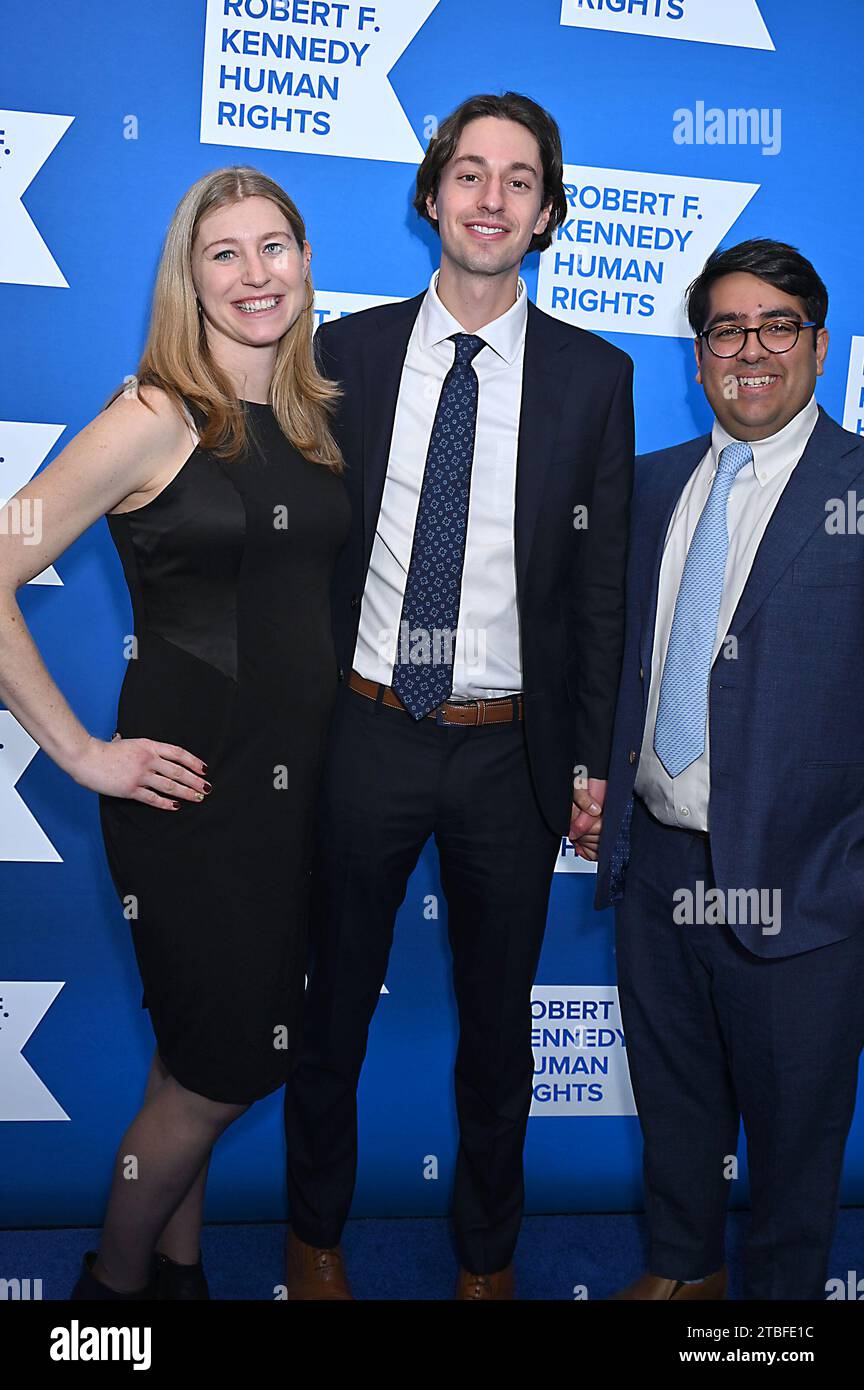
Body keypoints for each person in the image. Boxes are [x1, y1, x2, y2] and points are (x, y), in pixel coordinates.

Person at [283, 91, 634, 1300]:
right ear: (432, 195)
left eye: (520, 180)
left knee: (499, 1038)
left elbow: (599, 597)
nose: (492, 198)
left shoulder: (596, 378)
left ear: (546, 215)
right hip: (366, 732)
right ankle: (314, 1238)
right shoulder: (345, 353)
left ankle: (487, 1260)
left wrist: (591, 762)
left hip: (510, 757)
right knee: (330, 1016)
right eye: (470, 174)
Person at [0, 166, 350, 1300]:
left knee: (193, 1057)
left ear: (303, 262)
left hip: (288, 802)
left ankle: (180, 1278)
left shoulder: (310, 418)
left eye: (274, 247)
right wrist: (80, 753)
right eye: (225, 253)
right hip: (190, 803)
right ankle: (109, 1297)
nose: (256, 274)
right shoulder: (152, 414)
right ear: (188, 281)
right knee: (216, 1079)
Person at [595, 238, 864, 1301]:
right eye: (726, 329)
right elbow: (621, 657)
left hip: (807, 882)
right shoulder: (652, 486)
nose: (751, 349)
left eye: (777, 325)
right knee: (675, 1100)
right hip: (658, 866)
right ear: (699, 355)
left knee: (798, 1140)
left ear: (818, 343)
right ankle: (683, 1270)